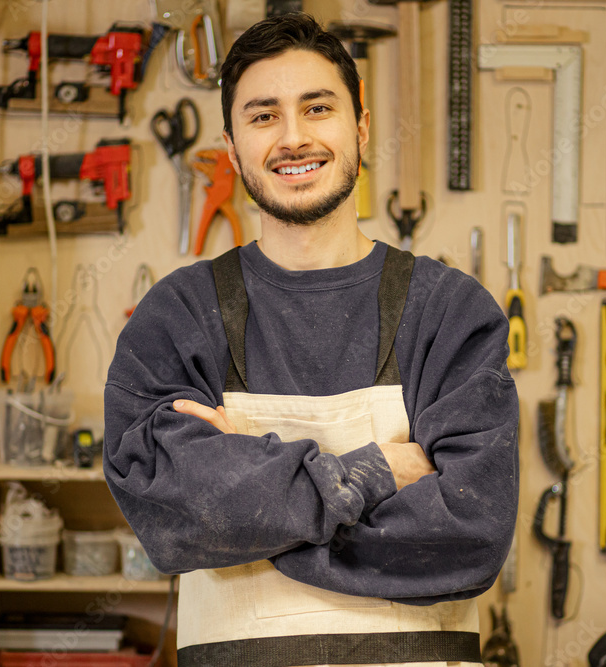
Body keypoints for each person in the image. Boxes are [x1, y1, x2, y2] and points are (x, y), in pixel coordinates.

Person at [104, 12, 519, 667]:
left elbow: (470, 532)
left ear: (360, 127)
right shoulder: (178, 317)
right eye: (264, 116)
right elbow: (172, 514)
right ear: (232, 147)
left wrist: (248, 511)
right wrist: (376, 471)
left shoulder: (449, 313)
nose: (294, 138)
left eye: (317, 108)